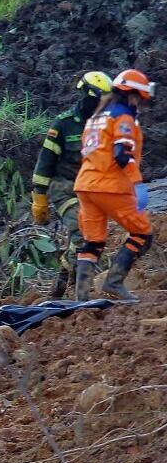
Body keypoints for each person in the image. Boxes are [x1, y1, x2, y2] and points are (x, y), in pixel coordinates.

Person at [74, 69, 156, 301]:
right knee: (142, 233)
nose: (141, 105)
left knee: (93, 242)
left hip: (85, 185)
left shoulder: (96, 118)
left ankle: (81, 298)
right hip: (109, 186)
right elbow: (122, 154)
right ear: (133, 95)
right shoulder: (123, 118)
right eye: (140, 99)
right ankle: (114, 282)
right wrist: (137, 183)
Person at [31, 71, 114, 297]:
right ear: (86, 96)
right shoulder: (64, 124)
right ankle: (80, 291)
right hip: (65, 188)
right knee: (82, 228)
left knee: (87, 238)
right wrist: (39, 197)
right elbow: (45, 162)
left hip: (92, 189)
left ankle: (61, 288)